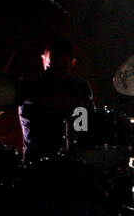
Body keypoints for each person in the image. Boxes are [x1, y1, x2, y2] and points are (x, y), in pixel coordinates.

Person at [18, 33, 94, 163]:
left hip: (73, 165)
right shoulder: (28, 85)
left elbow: (87, 128)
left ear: (72, 63)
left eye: (62, 69)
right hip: (37, 165)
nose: (57, 74)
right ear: (43, 59)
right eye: (52, 68)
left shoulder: (81, 87)